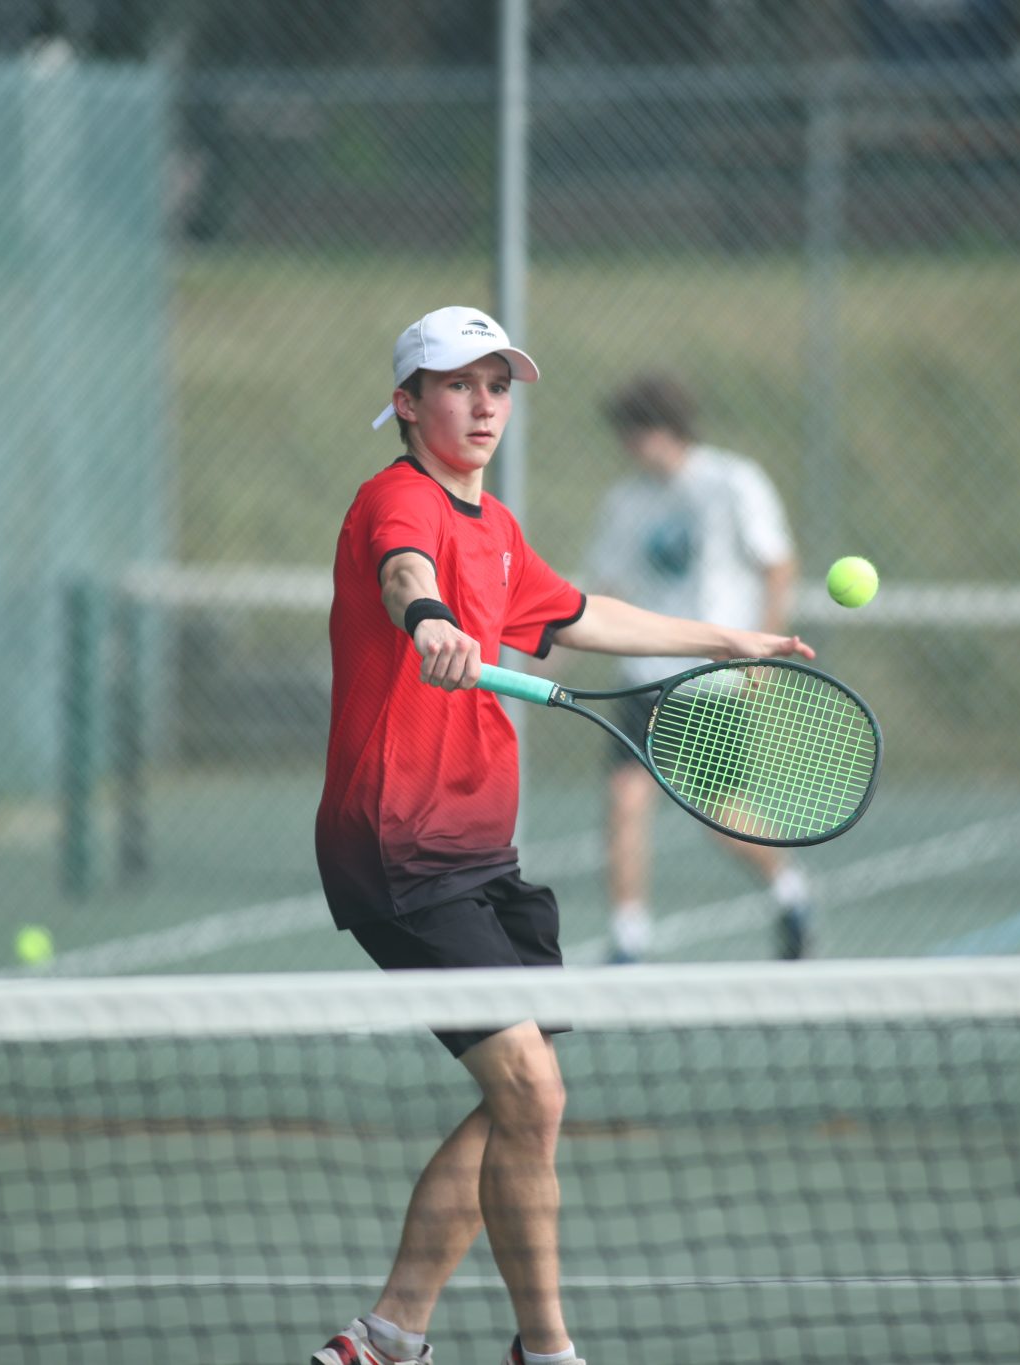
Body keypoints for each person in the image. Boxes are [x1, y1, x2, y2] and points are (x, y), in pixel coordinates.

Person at [310, 309, 815, 1365]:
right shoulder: (392, 503)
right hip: (394, 843)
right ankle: (545, 1351)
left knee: (522, 1099)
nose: (484, 404)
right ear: (407, 404)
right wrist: (430, 621)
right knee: (530, 1089)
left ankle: (391, 1333)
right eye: (457, 385)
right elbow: (407, 574)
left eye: (497, 384)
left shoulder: (494, 529)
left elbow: (582, 612)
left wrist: (730, 635)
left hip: (478, 849)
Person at [585, 373, 813, 963]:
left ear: (662, 429)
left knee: (721, 820)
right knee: (625, 800)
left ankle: (788, 888)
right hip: (643, 679)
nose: (627, 447)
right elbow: (603, 590)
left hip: (713, 680)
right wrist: (540, 648)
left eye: (633, 433)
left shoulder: (732, 483)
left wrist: (762, 648)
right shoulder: (624, 502)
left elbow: (778, 565)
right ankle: (628, 938)